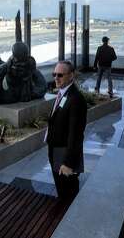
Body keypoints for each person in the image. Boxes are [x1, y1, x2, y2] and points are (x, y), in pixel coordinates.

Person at [47, 60, 87, 205]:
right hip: (56, 149)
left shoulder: (75, 99)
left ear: (71, 76)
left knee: (68, 193)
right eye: (54, 74)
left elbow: (76, 134)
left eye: (60, 75)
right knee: (61, 189)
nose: (56, 78)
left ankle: (70, 221)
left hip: (64, 154)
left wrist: (68, 162)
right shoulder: (63, 94)